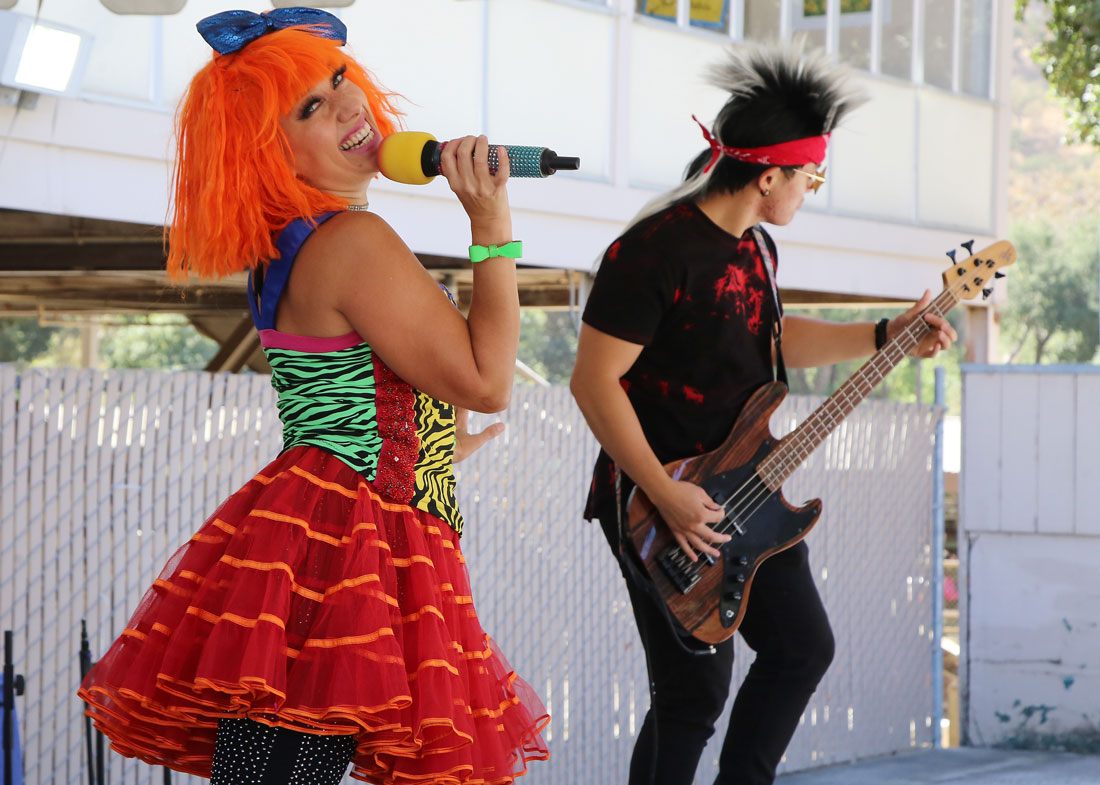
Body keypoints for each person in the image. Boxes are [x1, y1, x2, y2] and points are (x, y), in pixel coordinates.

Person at [78, 9, 549, 784]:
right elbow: (487, 380)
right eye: (310, 107)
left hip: (317, 523)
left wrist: (431, 442)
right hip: (350, 533)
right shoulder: (351, 241)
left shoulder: (295, 245)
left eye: (338, 80)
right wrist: (493, 224)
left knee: (272, 771)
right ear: (269, 151)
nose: (348, 104)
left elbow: (350, 388)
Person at [569, 44, 957, 785]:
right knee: (691, 697)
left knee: (802, 647)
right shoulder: (652, 252)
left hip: (745, 489)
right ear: (769, 173)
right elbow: (593, 383)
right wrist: (664, 491)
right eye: (811, 174)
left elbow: (773, 338)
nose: (813, 186)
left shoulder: (757, 248)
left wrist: (885, 334)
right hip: (658, 500)